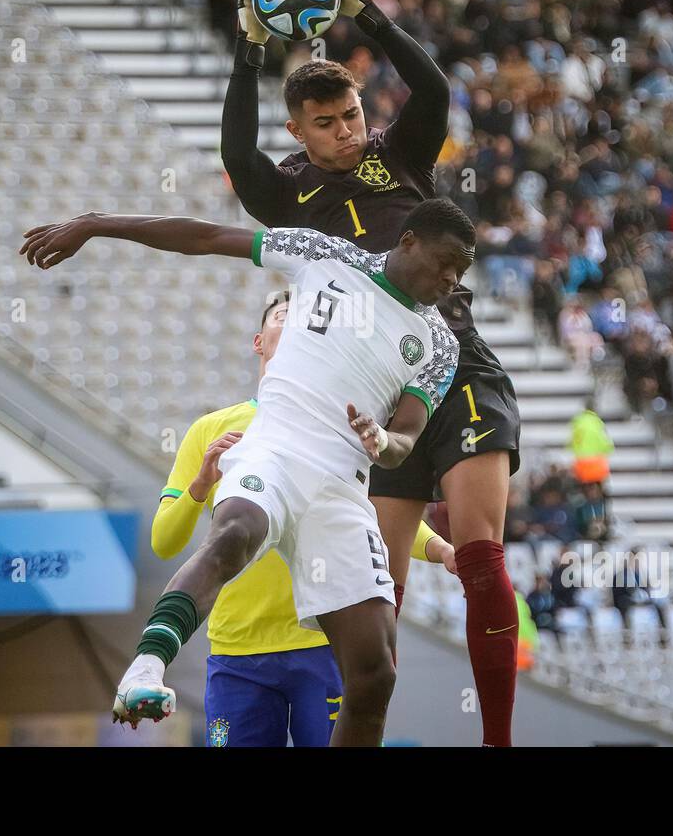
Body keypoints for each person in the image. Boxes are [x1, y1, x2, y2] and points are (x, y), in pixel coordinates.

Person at [20, 200, 470, 746]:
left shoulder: (440, 346)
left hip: (340, 489)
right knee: (235, 532)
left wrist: (383, 440)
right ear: (409, 241)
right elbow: (205, 236)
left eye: (462, 272)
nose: (452, 279)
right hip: (274, 452)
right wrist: (95, 225)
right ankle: (145, 667)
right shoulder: (326, 256)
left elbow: (405, 439)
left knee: (376, 673)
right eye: (446, 261)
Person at [220, 0, 523, 745]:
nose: (348, 132)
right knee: (372, 586)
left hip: (450, 359)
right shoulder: (287, 193)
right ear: (300, 130)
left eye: (352, 114)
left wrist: (360, 8)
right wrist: (249, 46)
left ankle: (498, 740)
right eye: (327, 124)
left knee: (479, 550)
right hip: (368, 395)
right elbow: (234, 155)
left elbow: (432, 86)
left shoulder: (400, 154)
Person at [154, 291, 455, 746]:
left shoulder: (338, 424)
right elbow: (163, 541)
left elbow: (369, 511)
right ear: (259, 341)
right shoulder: (210, 429)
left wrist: (440, 548)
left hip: (321, 639)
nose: (294, 322)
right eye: (282, 315)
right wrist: (199, 486)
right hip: (238, 649)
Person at [568, 398, 614, 487]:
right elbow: (603, 439)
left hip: (582, 460)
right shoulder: (597, 421)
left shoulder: (578, 421)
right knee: (598, 487)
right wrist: (608, 448)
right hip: (597, 460)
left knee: (584, 486)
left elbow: (574, 440)